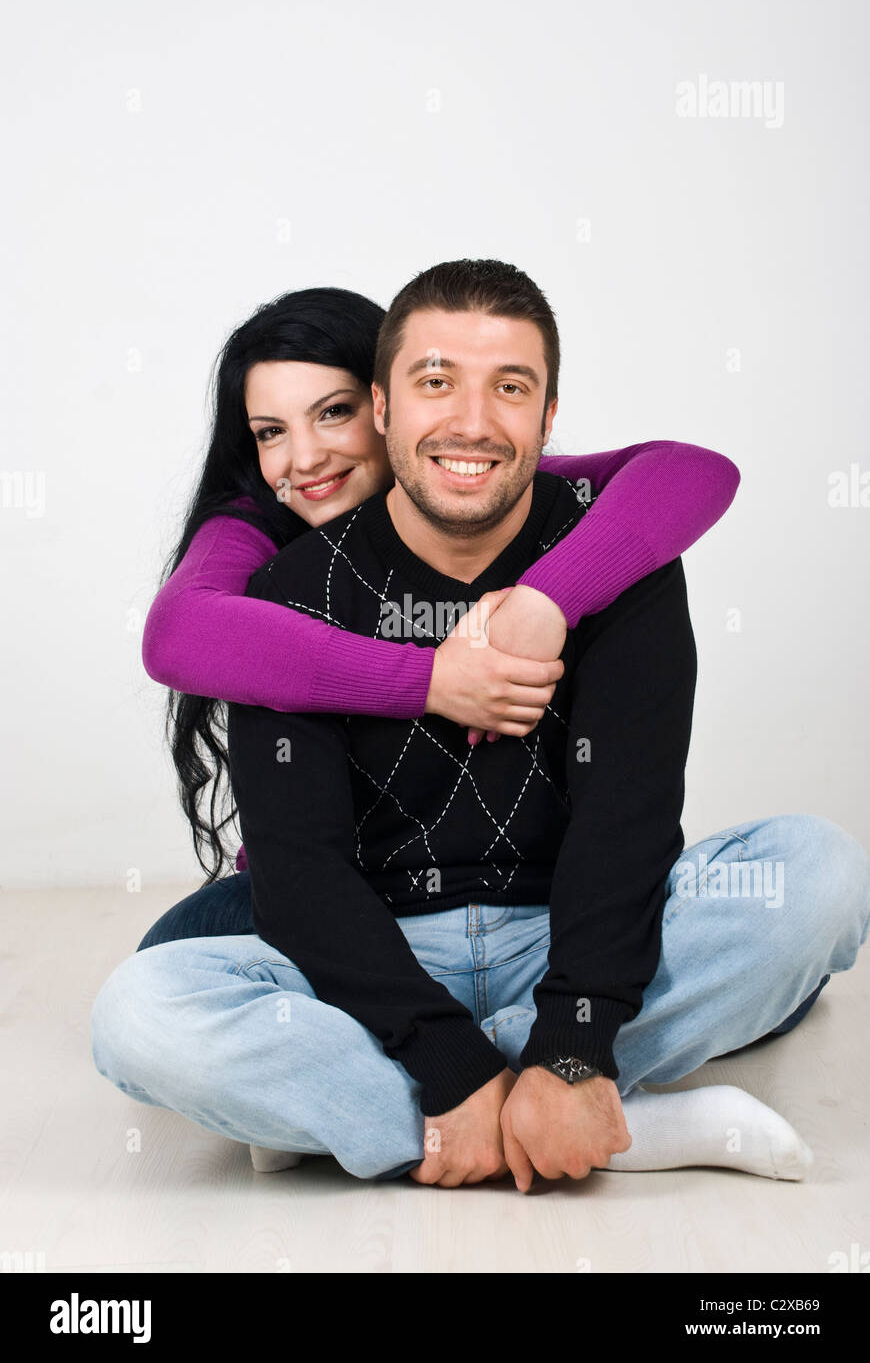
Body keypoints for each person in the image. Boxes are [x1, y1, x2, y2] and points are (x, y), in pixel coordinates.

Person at [92, 259, 870, 1190]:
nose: (469, 421)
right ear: (394, 405)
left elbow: (626, 814)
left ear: (547, 417)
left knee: (818, 875)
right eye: (436, 384)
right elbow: (296, 864)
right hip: (374, 936)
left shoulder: (610, 548)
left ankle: (424, 1105)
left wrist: (573, 1041)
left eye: (508, 388)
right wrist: (430, 680)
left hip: (563, 927)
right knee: (143, 1009)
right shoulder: (269, 590)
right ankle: (605, 1118)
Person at [136, 283, 741, 948]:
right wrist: (436, 681)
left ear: (386, 405)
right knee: (170, 958)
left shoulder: (477, 477)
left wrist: (545, 600)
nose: (305, 459)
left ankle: (524, 1025)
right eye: (271, 432)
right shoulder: (259, 526)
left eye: (333, 413)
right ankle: (456, 1032)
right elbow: (177, 635)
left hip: (538, 893)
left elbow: (688, 471)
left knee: (783, 906)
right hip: (336, 895)